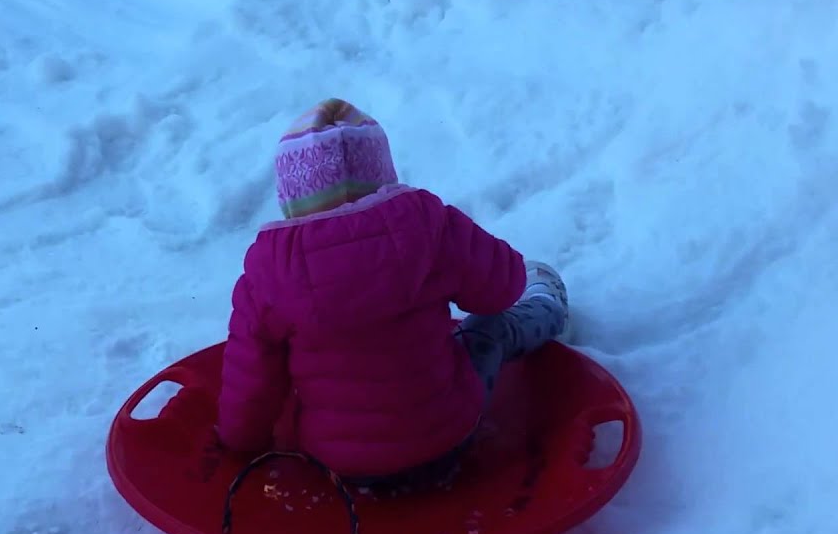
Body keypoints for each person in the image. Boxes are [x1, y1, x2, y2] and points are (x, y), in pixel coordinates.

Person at [214, 98, 571, 488]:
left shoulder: (268, 273)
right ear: (383, 174)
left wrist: (241, 444)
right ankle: (547, 306)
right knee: (489, 327)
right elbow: (503, 289)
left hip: (338, 467)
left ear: (291, 195)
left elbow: (251, 375)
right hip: (446, 444)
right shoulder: (429, 226)